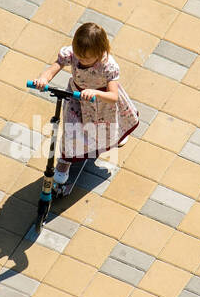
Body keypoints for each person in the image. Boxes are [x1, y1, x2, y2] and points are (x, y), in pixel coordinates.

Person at [33, 22, 139, 195]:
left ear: (99, 52)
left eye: (86, 59)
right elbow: (56, 66)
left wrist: (95, 93)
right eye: (79, 57)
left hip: (102, 103)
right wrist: (44, 79)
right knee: (71, 129)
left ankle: (116, 137)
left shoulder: (108, 67)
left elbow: (113, 97)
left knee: (105, 129)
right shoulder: (74, 54)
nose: (80, 60)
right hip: (77, 98)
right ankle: (65, 161)